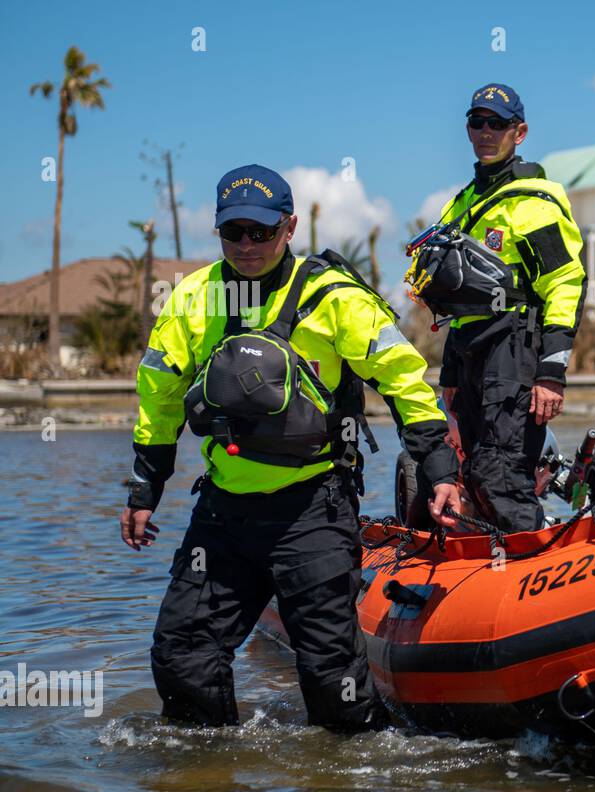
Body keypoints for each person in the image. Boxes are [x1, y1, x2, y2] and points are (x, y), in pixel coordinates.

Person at [120, 163, 461, 731]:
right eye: (234, 233)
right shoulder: (191, 299)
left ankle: (344, 791)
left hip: (314, 508)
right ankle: (207, 785)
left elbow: (402, 379)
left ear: (290, 226)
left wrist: (439, 469)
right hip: (224, 513)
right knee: (183, 658)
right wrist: (144, 489)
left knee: (333, 680)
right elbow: (158, 396)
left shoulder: (335, 296)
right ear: (219, 231)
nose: (248, 245)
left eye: (261, 231)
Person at [414, 83, 586, 533]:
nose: (486, 131)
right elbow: (458, 303)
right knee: (469, 468)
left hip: (515, 349)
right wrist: (449, 376)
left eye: (498, 123)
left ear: (519, 131)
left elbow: (566, 283)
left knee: (502, 473)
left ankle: (536, 571)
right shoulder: (461, 203)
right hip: (468, 351)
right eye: (477, 121)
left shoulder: (535, 202)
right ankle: (488, 566)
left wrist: (551, 372)